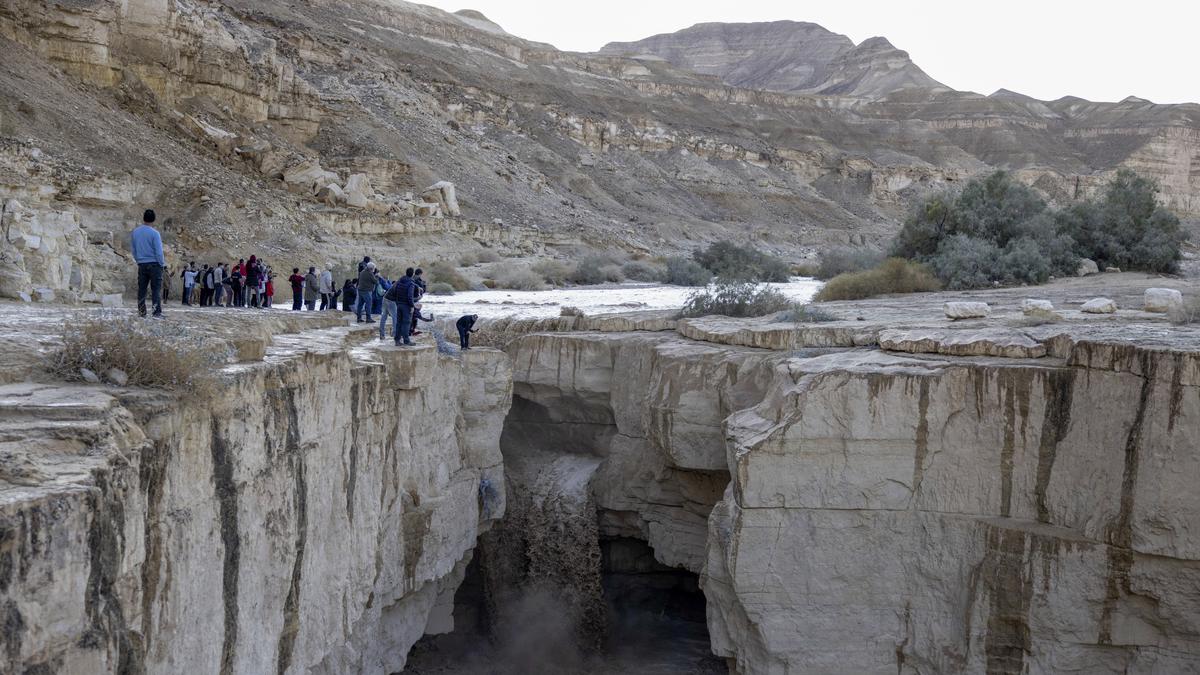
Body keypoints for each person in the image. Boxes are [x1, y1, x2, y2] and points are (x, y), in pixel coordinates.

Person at [131, 209, 165, 318]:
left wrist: (138, 260)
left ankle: (142, 312)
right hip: (155, 264)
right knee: (156, 289)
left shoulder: (135, 232)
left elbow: (133, 250)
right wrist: (162, 264)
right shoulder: (155, 233)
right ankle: (156, 312)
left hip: (142, 264)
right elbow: (159, 252)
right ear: (154, 219)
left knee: (142, 289)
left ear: (143, 218)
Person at [385, 268, 417, 346]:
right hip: (406, 306)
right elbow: (410, 296)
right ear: (412, 274)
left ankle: (397, 340)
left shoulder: (399, 281)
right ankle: (406, 340)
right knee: (406, 323)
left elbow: (395, 291)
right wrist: (412, 306)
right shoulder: (411, 283)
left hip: (398, 304)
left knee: (399, 323)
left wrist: (397, 301)